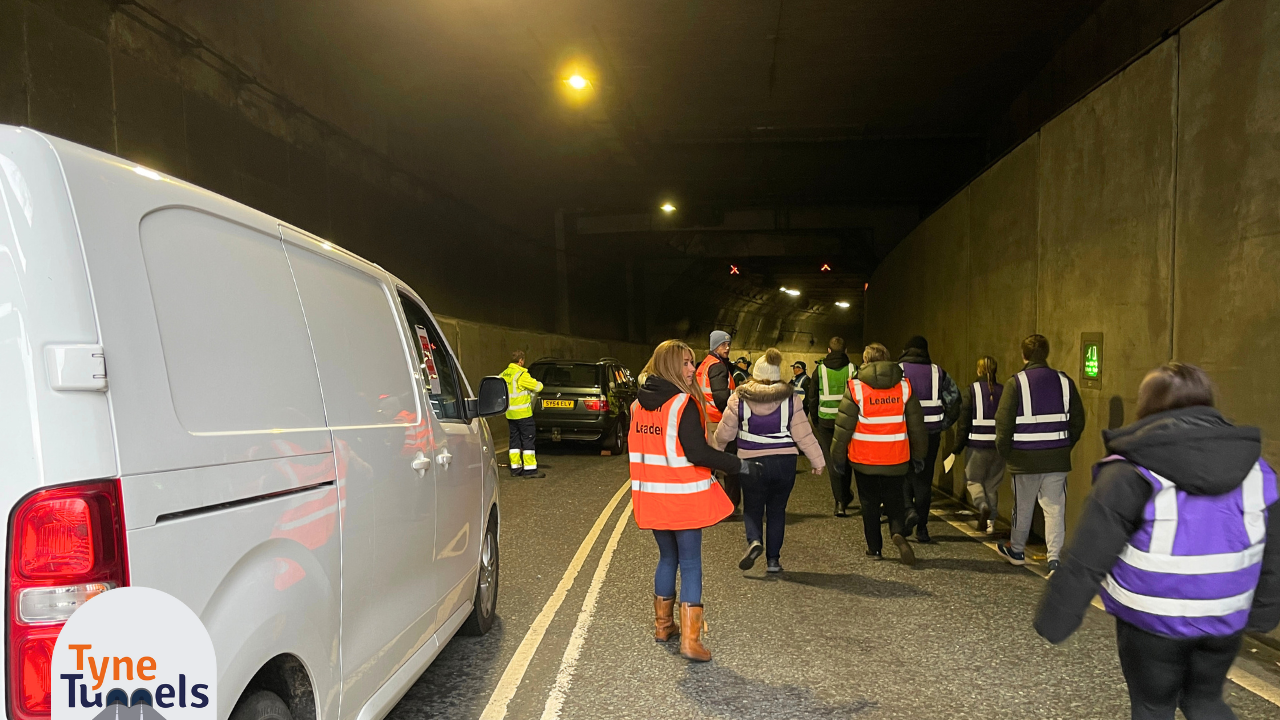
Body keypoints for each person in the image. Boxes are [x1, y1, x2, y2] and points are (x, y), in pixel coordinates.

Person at [1034, 363, 1280, 720]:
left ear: (1147, 405)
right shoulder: (1258, 469)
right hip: (1225, 615)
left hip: (1151, 622)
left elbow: (1090, 552)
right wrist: (1264, 611)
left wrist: (1057, 616)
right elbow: (1274, 550)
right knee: (1205, 701)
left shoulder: (1130, 470)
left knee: (1153, 706)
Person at [631, 340, 761, 662]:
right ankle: (691, 641)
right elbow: (698, 453)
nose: (692, 370)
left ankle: (663, 626)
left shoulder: (637, 406)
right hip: (682, 498)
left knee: (666, 559)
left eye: (692, 363)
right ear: (670, 366)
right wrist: (740, 466)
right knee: (690, 563)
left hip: (651, 496)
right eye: (686, 364)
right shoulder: (681, 404)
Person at [714, 348, 826, 573]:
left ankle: (754, 541)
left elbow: (725, 433)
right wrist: (817, 459)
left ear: (755, 374)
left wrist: (715, 455)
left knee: (753, 507)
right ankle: (773, 561)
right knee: (777, 511)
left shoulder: (739, 398)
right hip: (784, 464)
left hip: (751, 463)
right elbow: (803, 434)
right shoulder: (791, 399)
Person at [995, 334, 1085, 574]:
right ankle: (1054, 559)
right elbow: (1078, 421)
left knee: (1022, 507)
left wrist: (1007, 454)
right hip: (1056, 459)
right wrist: (1064, 446)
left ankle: (1016, 550)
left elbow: (1003, 425)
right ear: (1046, 354)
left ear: (1023, 355)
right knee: (1055, 508)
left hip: (1023, 460)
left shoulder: (1016, 383)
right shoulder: (1065, 382)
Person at [831, 342, 927, 565]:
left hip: (865, 459)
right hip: (896, 457)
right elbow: (917, 427)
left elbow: (843, 428)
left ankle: (875, 548)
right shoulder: (904, 388)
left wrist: (837, 458)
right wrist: (920, 455)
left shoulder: (856, 388)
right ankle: (898, 533)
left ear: (865, 361)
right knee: (895, 499)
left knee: (869, 503)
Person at [898, 336, 961, 543]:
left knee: (903, 474)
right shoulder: (938, 372)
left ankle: (907, 513)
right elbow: (954, 400)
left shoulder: (898, 371)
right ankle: (923, 528)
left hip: (903, 432)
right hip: (931, 433)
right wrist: (944, 423)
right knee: (924, 479)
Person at [949, 356, 1005, 535]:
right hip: (998, 447)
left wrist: (956, 449)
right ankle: (991, 522)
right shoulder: (1004, 391)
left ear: (979, 370)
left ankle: (982, 506)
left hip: (976, 447)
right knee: (992, 485)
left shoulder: (970, 391)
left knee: (973, 481)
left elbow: (963, 424)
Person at [806, 337, 857, 517]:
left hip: (826, 422)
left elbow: (812, 398)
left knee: (833, 461)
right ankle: (845, 494)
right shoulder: (853, 369)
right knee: (846, 458)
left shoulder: (819, 370)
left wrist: (816, 422)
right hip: (848, 422)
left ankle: (840, 502)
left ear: (828, 350)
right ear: (845, 350)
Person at [696, 331, 740, 506]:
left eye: (728, 344)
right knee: (731, 464)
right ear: (714, 346)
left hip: (705, 420)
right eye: (723, 344)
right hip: (719, 421)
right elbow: (722, 398)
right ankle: (730, 504)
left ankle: (709, 501)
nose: (727, 348)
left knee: (709, 464)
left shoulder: (704, 365)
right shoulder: (718, 367)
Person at [500, 350, 546, 478]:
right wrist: (539, 383)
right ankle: (530, 470)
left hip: (510, 414)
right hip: (523, 414)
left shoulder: (504, 374)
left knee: (514, 440)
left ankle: (516, 468)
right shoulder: (521, 375)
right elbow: (538, 387)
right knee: (528, 440)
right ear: (521, 361)